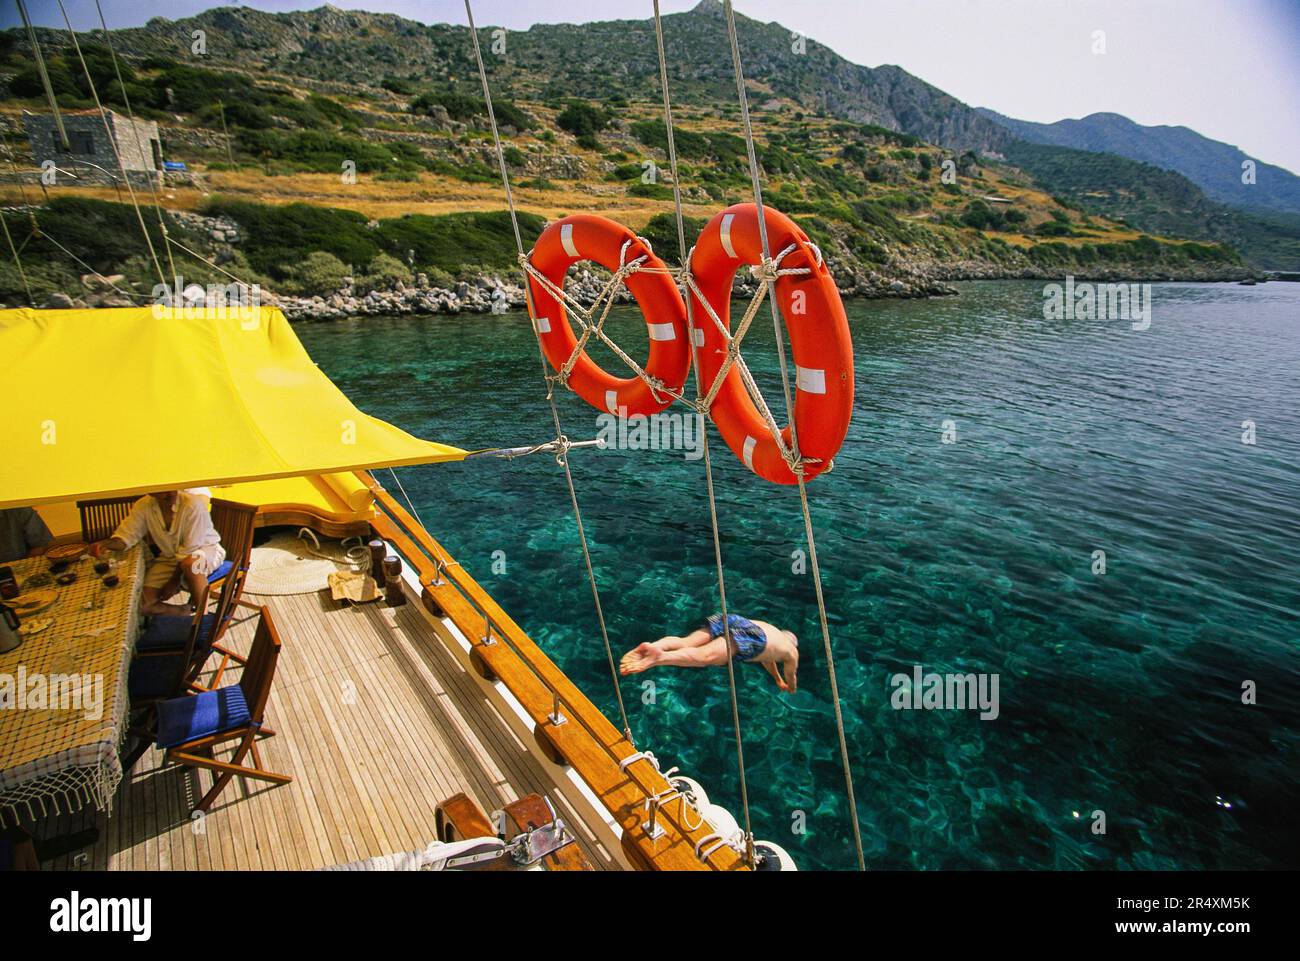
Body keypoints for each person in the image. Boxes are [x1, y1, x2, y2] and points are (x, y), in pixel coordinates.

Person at [90, 489, 224, 617]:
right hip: (170, 558)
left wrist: (173, 581)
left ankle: (203, 619)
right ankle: (184, 612)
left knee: (191, 564)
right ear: (151, 490)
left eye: (173, 487)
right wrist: (104, 544)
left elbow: (190, 550)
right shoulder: (144, 506)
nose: (171, 493)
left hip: (205, 550)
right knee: (143, 606)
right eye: (164, 490)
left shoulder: (193, 505)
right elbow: (125, 538)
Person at [620, 613, 799, 693]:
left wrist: (777, 680)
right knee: (705, 656)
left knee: (685, 642)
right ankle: (660, 657)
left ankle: (655, 646)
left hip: (737, 620)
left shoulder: (774, 633)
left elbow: (768, 659)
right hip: (754, 637)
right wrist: (790, 687)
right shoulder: (791, 652)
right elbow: (791, 674)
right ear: (794, 644)